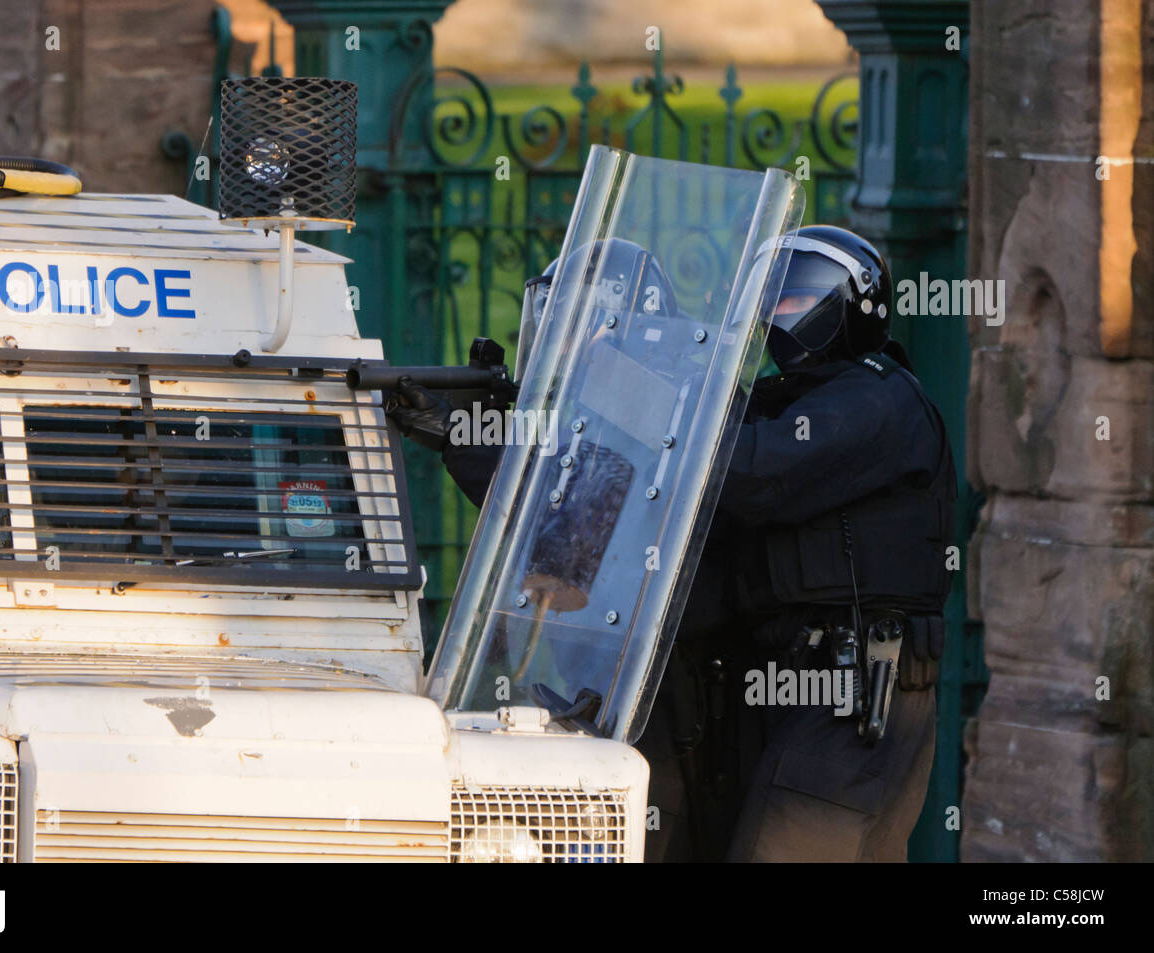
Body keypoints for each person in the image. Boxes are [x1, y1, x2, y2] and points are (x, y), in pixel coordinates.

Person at [389, 225, 956, 862]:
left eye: (794, 303)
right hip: (745, 685)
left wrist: (617, 385)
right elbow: (565, 521)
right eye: (769, 304)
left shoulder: (875, 400)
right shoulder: (752, 409)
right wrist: (469, 430)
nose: (776, 320)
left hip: (853, 689)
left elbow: (750, 473)